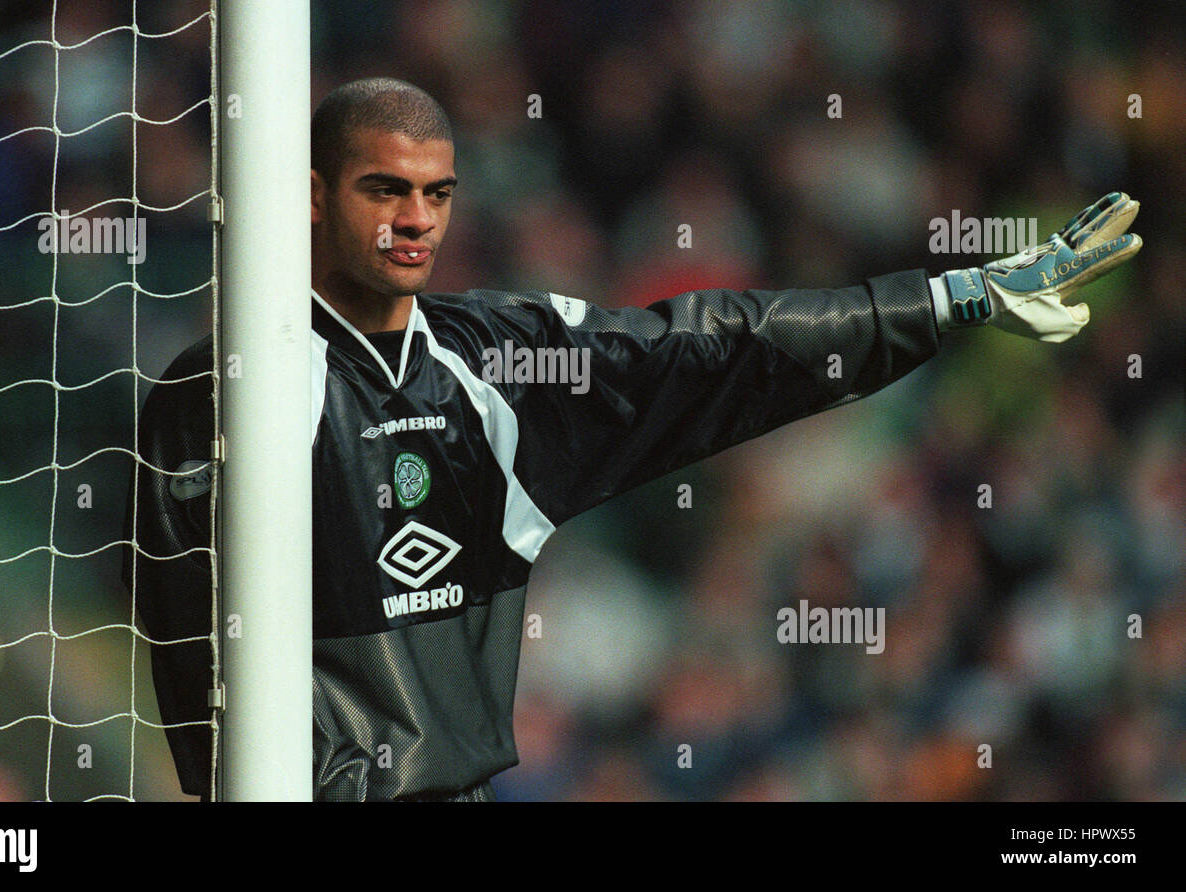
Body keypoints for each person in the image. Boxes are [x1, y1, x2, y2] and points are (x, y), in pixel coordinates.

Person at [122, 77, 1143, 801]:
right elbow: (183, 646)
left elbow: (715, 346)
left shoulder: (496, 364)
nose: (415, 220)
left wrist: (946, 295)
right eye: (383, 188)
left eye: (436, 193)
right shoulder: (220, 396)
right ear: (309, 197)